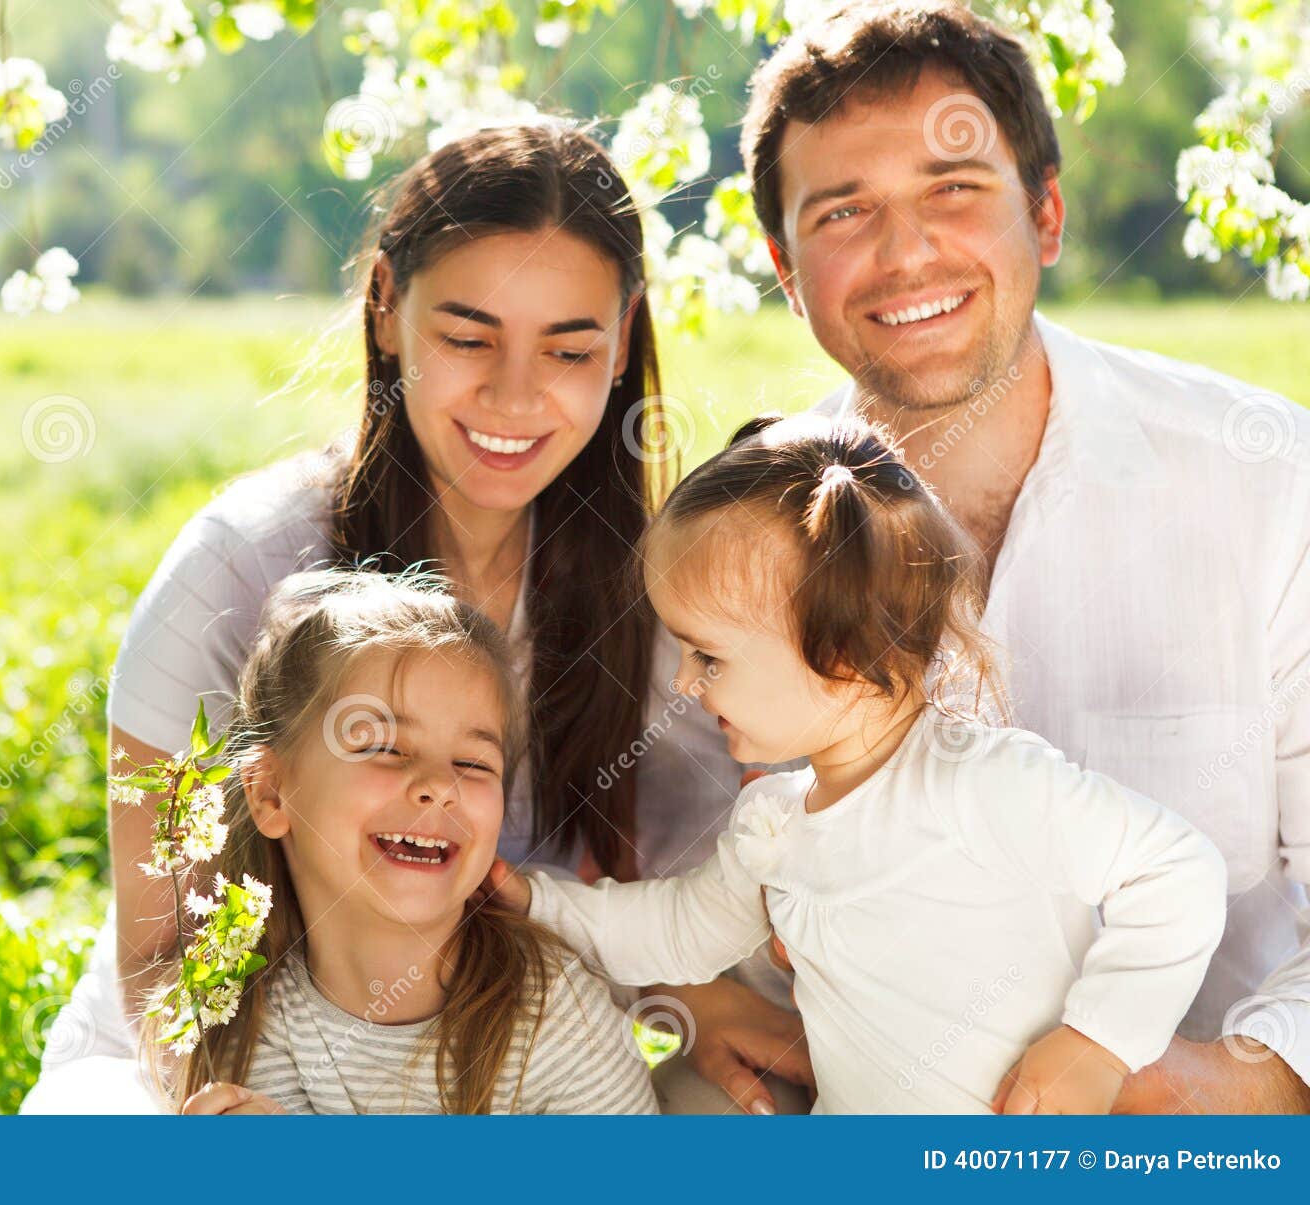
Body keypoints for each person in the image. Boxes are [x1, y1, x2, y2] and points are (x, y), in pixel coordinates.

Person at [21, 121, 800, 1113]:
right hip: (229, 1058)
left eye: (568, 348)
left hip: (499, 1066)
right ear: (386, 306)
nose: (514, 396)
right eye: (468, 338)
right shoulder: (236, 568)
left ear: (622, 342)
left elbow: (703, 901)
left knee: (753, 1101)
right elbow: (163, 957)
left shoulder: (660, 598)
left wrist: (692, 992)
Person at [672, 0, 1310, 1112]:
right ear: (782, 264)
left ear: (1046, 214)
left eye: (952, 192)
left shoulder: (1267, 484)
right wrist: (689, 998)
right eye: (844, 212)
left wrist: (1213, 1087)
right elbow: (674, 900)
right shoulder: (729, 545)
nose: (905, 253)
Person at [488, 413, 1228, 1113]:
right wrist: (537, 901)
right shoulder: (773, 826)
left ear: (839, 655)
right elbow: (678, 929)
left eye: (707, 655)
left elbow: (1176, 871)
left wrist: (1095, 1044)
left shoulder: (985, 783)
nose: (683, 682)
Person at [141, 570, 659, 1113]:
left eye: (472, 763)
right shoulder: (244, 1017)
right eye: (384, 748)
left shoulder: (557, 1019)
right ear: (271, 793)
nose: (440, 786)